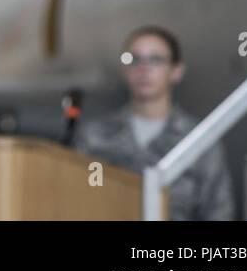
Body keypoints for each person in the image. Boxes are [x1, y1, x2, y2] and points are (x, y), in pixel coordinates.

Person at [75, 26, 235, 220]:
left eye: (156, 60)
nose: (144, 68)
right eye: (134, 59)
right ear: (124, 70)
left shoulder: (198, 141)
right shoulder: (94, 136)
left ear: (176, 71)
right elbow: (76, 201)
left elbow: (218, 212)